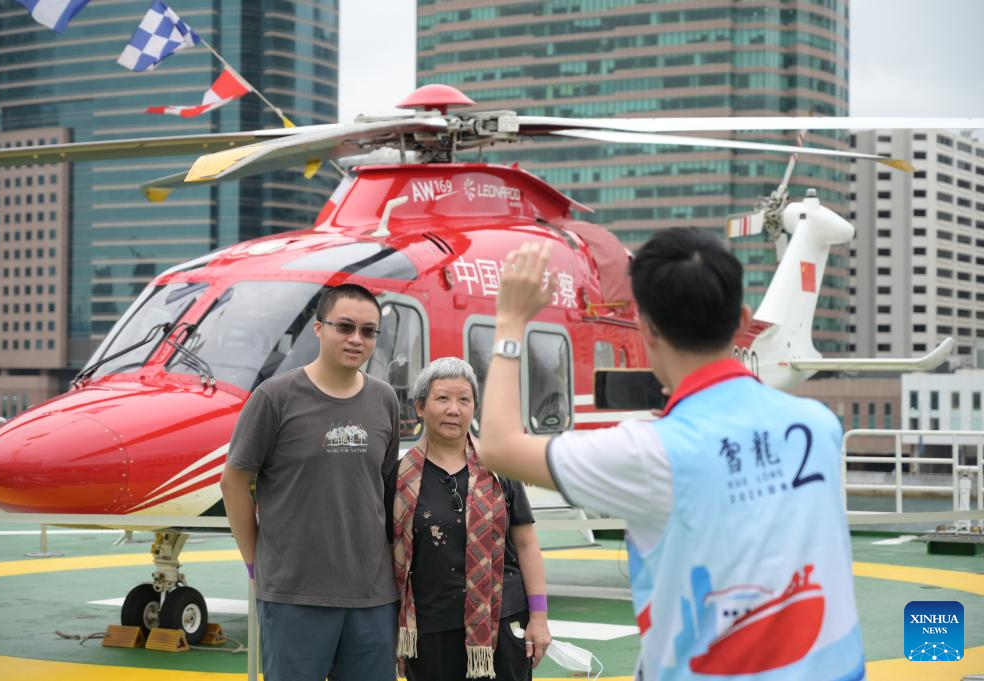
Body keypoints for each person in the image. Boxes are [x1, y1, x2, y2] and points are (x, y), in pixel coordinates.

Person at [478, 232, 864, 680]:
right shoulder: (819, 425)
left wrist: (509, 323)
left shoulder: (648, 451)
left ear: (646, 328)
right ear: (742, 321)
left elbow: (498, 447)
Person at [220, 283, 400, 681]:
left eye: (368, 331)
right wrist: (256, 563)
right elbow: (233, 483)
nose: (357, 339)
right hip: (294, 595)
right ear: (319, 329)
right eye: (345, 327)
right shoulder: (274, 398)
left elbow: (383, 487)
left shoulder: (385, 400)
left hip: (372, 596)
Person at [386, 357, 551, 680]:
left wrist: (540, 617)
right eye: (442, 398)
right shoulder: (398, 478)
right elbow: (386, 556)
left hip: (502, 622)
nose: (454, 409)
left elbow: (527, 544)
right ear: (420, 407)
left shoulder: (499, 469)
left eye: (464, 400)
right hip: (430, 630)